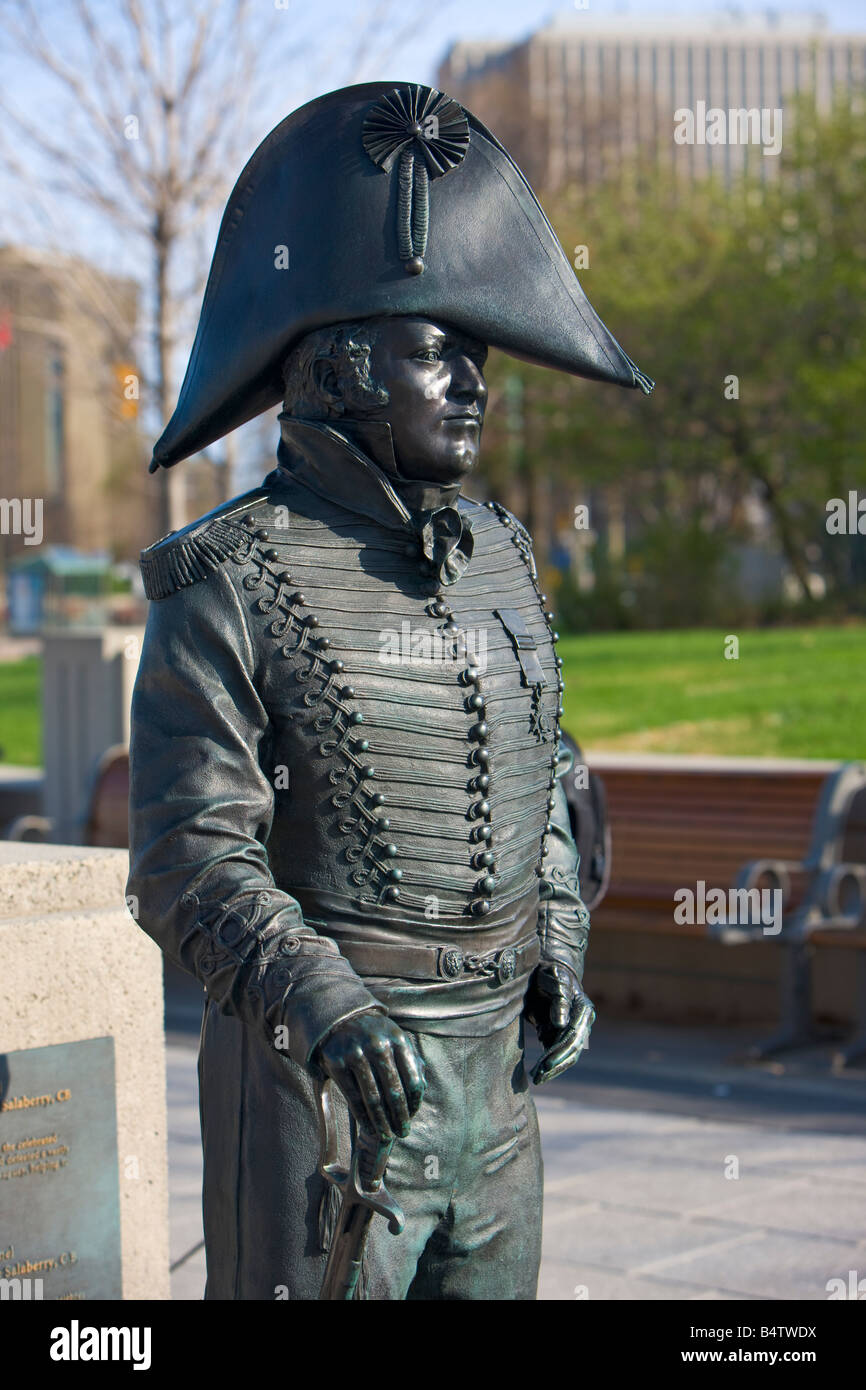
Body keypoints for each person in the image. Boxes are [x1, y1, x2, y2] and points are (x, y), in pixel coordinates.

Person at [127, 81, 652, 1301]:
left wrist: (556, 955)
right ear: (346, 368)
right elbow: (185, 856)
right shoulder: (226, 577)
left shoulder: (508, 557)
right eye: (437, 354)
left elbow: (549, 782)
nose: (472, 384)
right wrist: (328, 1007)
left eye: (476, 357)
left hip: (495, 1094)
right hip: (329, 1086)